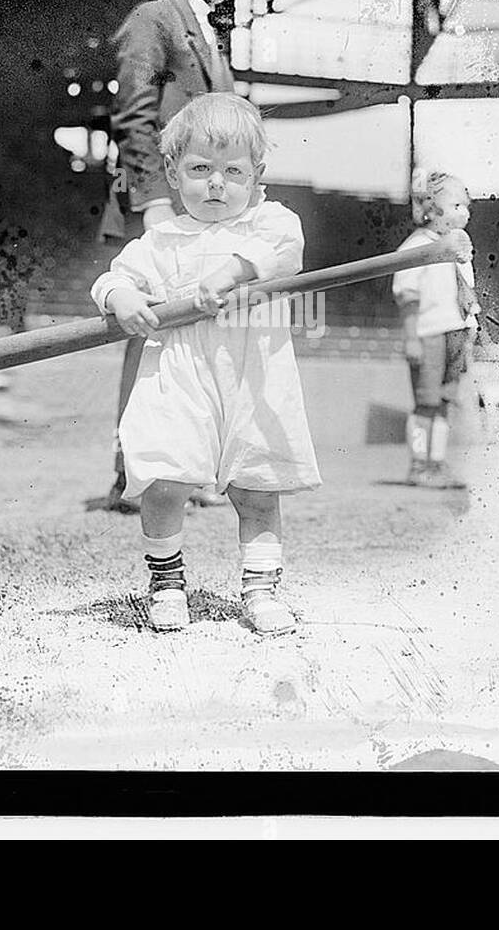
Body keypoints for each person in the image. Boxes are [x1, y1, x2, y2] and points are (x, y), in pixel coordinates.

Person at [89, 93, 320, 635]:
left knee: (256, 487)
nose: (216, 183)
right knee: (165, 480)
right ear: (172, 171)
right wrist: (121, 298)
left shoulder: (271, 221)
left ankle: (261, 592)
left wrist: (237, 270)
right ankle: (167, 586)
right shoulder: (162, 239)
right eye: (200, 169)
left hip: (254, 371)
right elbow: (114, 278)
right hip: (179, 371)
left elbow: (286, 250)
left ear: (257, 174)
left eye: (233, 171)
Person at [100, 0, 262, 513]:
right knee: (149, 337)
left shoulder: (208, 35)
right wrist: (154, 205)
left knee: (195, 342)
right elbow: (134, 117)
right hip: (164, 206)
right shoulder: (155, 20)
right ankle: (132, 477)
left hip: (203, 213)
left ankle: (185, 472)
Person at [391, 172, 479, 489]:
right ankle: (419, 464)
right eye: (456, 205)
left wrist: (469, 332)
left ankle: (438, 463)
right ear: (431, 208)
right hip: (429, 333)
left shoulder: (460, 249)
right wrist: (412, 337)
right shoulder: (417, 247)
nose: (464, 213)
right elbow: (409, 297)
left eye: (466, 206)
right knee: (426, 403)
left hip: (454, 333)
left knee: (444, 402)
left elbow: (464, 293)